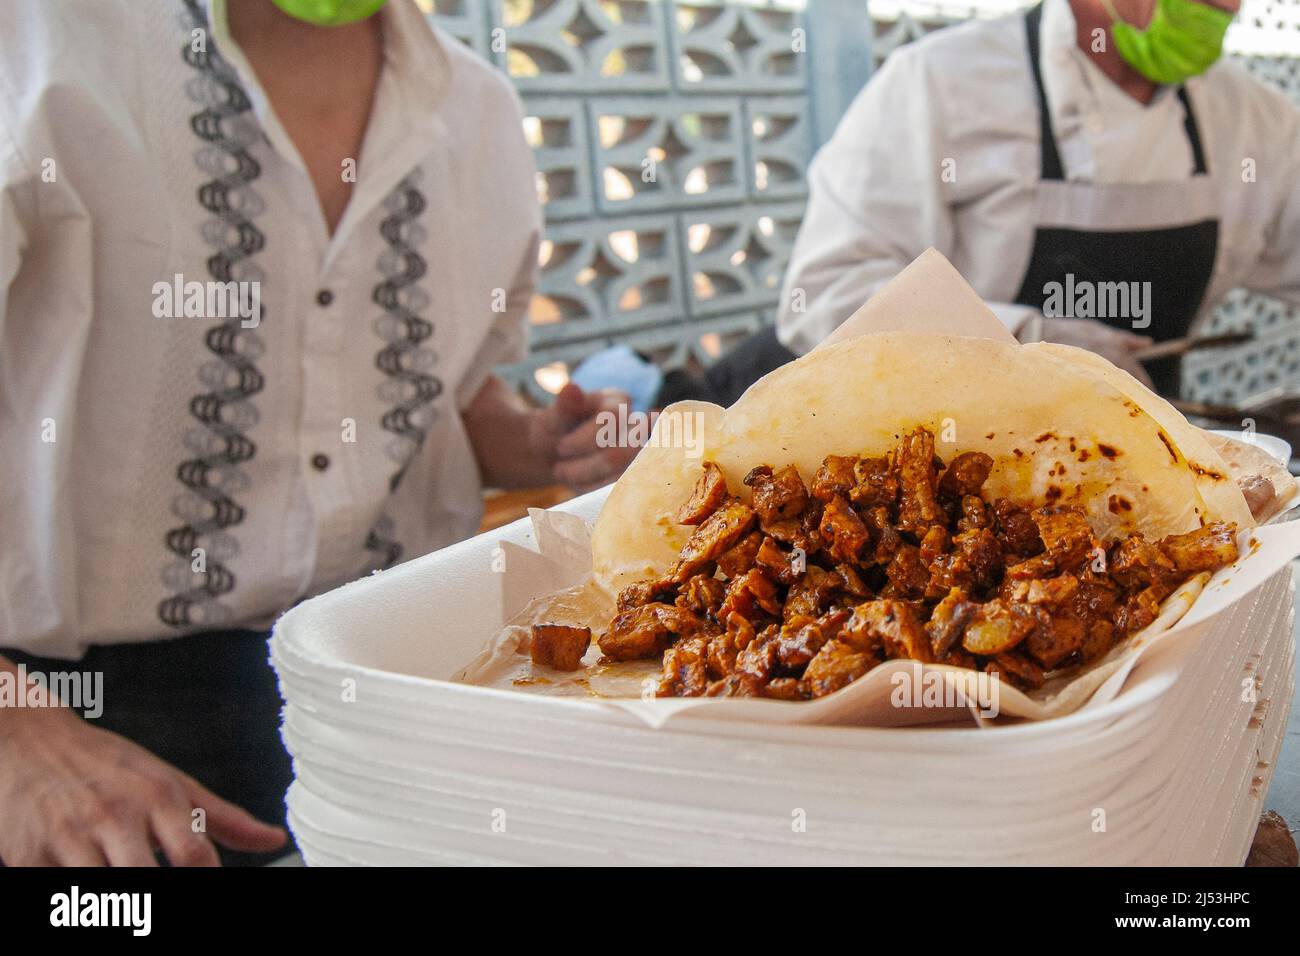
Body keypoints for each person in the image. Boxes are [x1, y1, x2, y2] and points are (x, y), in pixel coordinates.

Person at [0, 0, 637, 866]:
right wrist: (18, 743)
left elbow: (447, 396)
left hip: (398, 677)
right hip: (82, 714)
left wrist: (538, 443)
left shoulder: (476, 110)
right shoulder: (39, 49)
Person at [667, 0, 1300, 406]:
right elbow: (825, 296)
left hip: (1141, 457)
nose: (1224, 5)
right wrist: (1027, 337)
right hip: (958, 468)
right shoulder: (938, 85)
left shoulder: (1258, 123)